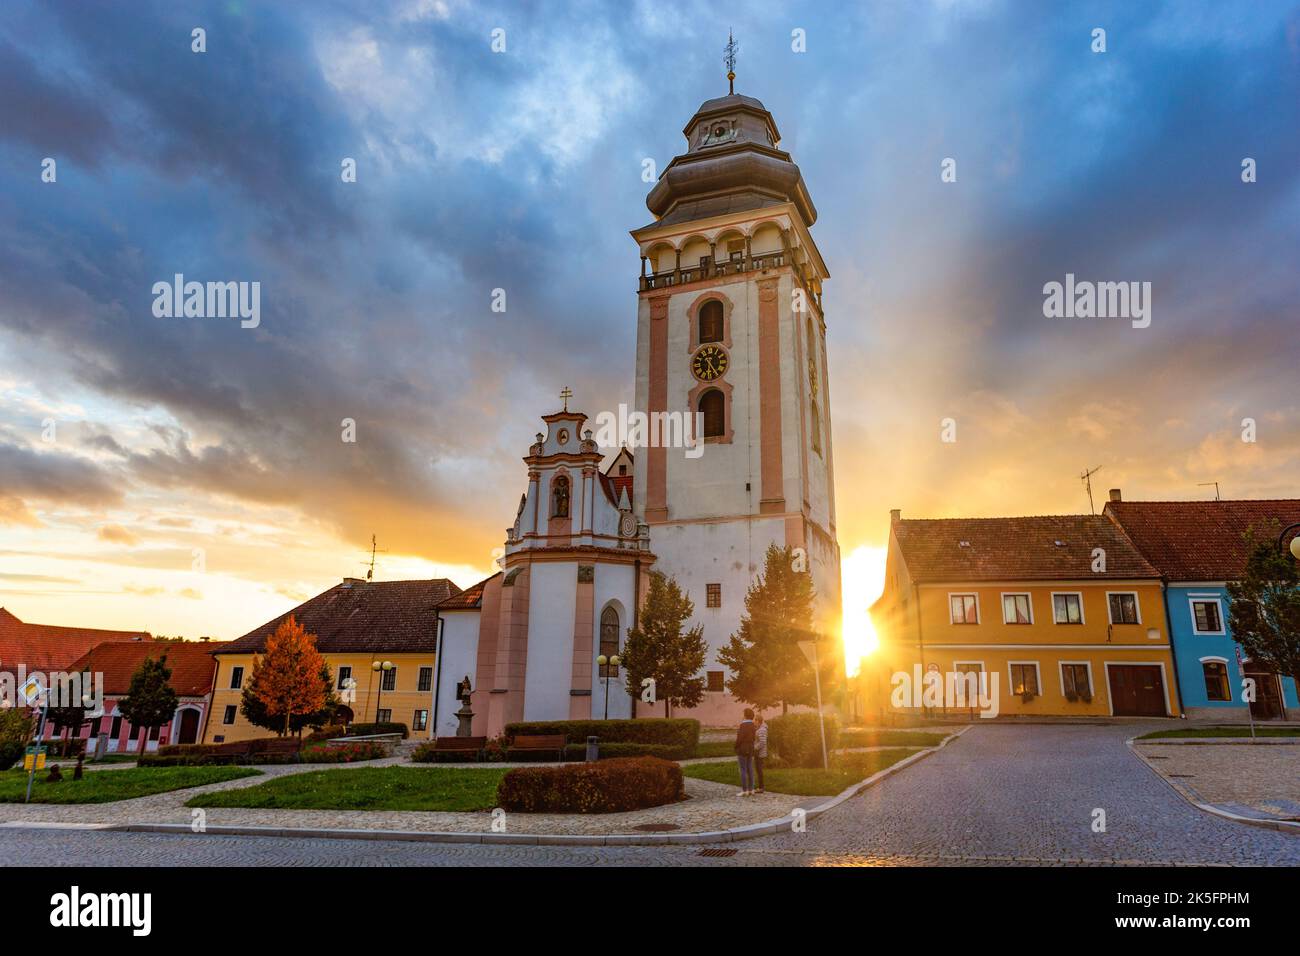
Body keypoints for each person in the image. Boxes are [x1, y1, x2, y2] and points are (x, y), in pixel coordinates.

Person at [734, 708, 756, 796]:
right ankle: (751, 789)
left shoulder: (743, 725)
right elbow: (754, 738)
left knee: (742, 769)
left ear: (745, 715)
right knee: (750, 768)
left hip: (742, 748)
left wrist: (736, 746)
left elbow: (739, 738)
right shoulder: (753, 725)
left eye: (743, 713)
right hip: (750, 748)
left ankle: (744, 790)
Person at [752, 713, 768, 794]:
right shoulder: (760, 729)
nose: (754, 722)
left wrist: (755, 748)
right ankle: (760, 786)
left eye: (755, 720)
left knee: (759, 770)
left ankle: (761, 787)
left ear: (758, 721)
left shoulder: (762, 730)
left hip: (759, 753)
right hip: (759, 753)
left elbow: (762, 742)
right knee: (758, 770)